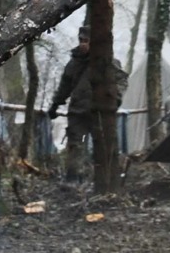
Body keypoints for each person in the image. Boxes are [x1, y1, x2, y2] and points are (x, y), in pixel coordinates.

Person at [44, 28, 126, 180]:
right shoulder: (74, 63)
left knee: (102, 146)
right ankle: (73, 178)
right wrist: (55, 105)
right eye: (81, 41)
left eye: (86, 41)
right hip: (78, 112)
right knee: (76, 146)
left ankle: (104, 179)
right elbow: (64, 87)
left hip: (100, 112)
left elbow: (121, 81)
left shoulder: (108, 61)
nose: (82, 44)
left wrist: (115, 99)